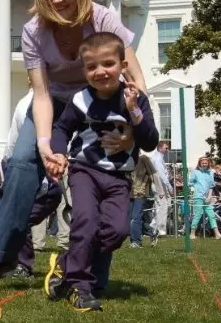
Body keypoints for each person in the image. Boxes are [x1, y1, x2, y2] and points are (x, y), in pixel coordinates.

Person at [0, 0, 146, 280]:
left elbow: (134, 75)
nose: (58, 0)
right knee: (23, 160)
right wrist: (44, 145)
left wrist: (131, 130)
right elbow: (40, 94)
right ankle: (5, 256)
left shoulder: (102, 18)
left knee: (100, 174)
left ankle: (92, 272)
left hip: (97, 99)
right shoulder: (33, 31)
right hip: (53, 101)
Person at [44, 32, 159, 312]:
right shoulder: (81, 99)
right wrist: (58, 152)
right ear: (84, 70)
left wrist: (134, 113)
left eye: (108, 63)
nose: (100, 71)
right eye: (91, 66)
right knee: (85, 222)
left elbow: (150, 141)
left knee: (117, 230)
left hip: (120, 177)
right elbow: (61, 127)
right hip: (85, 171)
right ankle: (80, 288)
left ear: (122, 65)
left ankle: (65, 264)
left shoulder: (136, 99)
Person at [0, 148, 61, 278]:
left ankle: (24, 266)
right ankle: (10, 262)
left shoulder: (13, 168)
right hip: (31, 198)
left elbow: (40, 184)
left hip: (47, 193)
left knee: (20, 222)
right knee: (14, 222)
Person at [189, 156, 221, 240]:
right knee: (198, 215)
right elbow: (190, 182)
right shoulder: (195, 172)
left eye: (206, 163)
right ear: (199, 163)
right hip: (198, 197)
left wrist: (209, 197)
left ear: (208, 163)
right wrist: (196, 189)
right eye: (202, 163)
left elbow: (211, 186)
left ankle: (217, 234)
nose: (204, 164)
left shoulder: (210, 173)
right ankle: (192, 234)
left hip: (207, 198)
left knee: (211, 215)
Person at [130, 154, 164, 248]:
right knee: (131, 219)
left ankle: (136, 242)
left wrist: (160, 190)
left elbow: (154, 174)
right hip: (128, 193)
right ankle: (152, 232)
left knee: (135, 218)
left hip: (141, 192)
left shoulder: (143, 159)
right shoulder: (125, 158)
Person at [151, 142, 173, 236]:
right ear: (160, 148)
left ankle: (155, 226)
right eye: (166, 148)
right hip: (159, 185)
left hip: (160, 184)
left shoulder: (159, 158)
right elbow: (161, 175)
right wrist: (169, 187)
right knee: (162, 206)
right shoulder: (157, 159)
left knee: (165, 205)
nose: (167, 150)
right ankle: (160, 229)